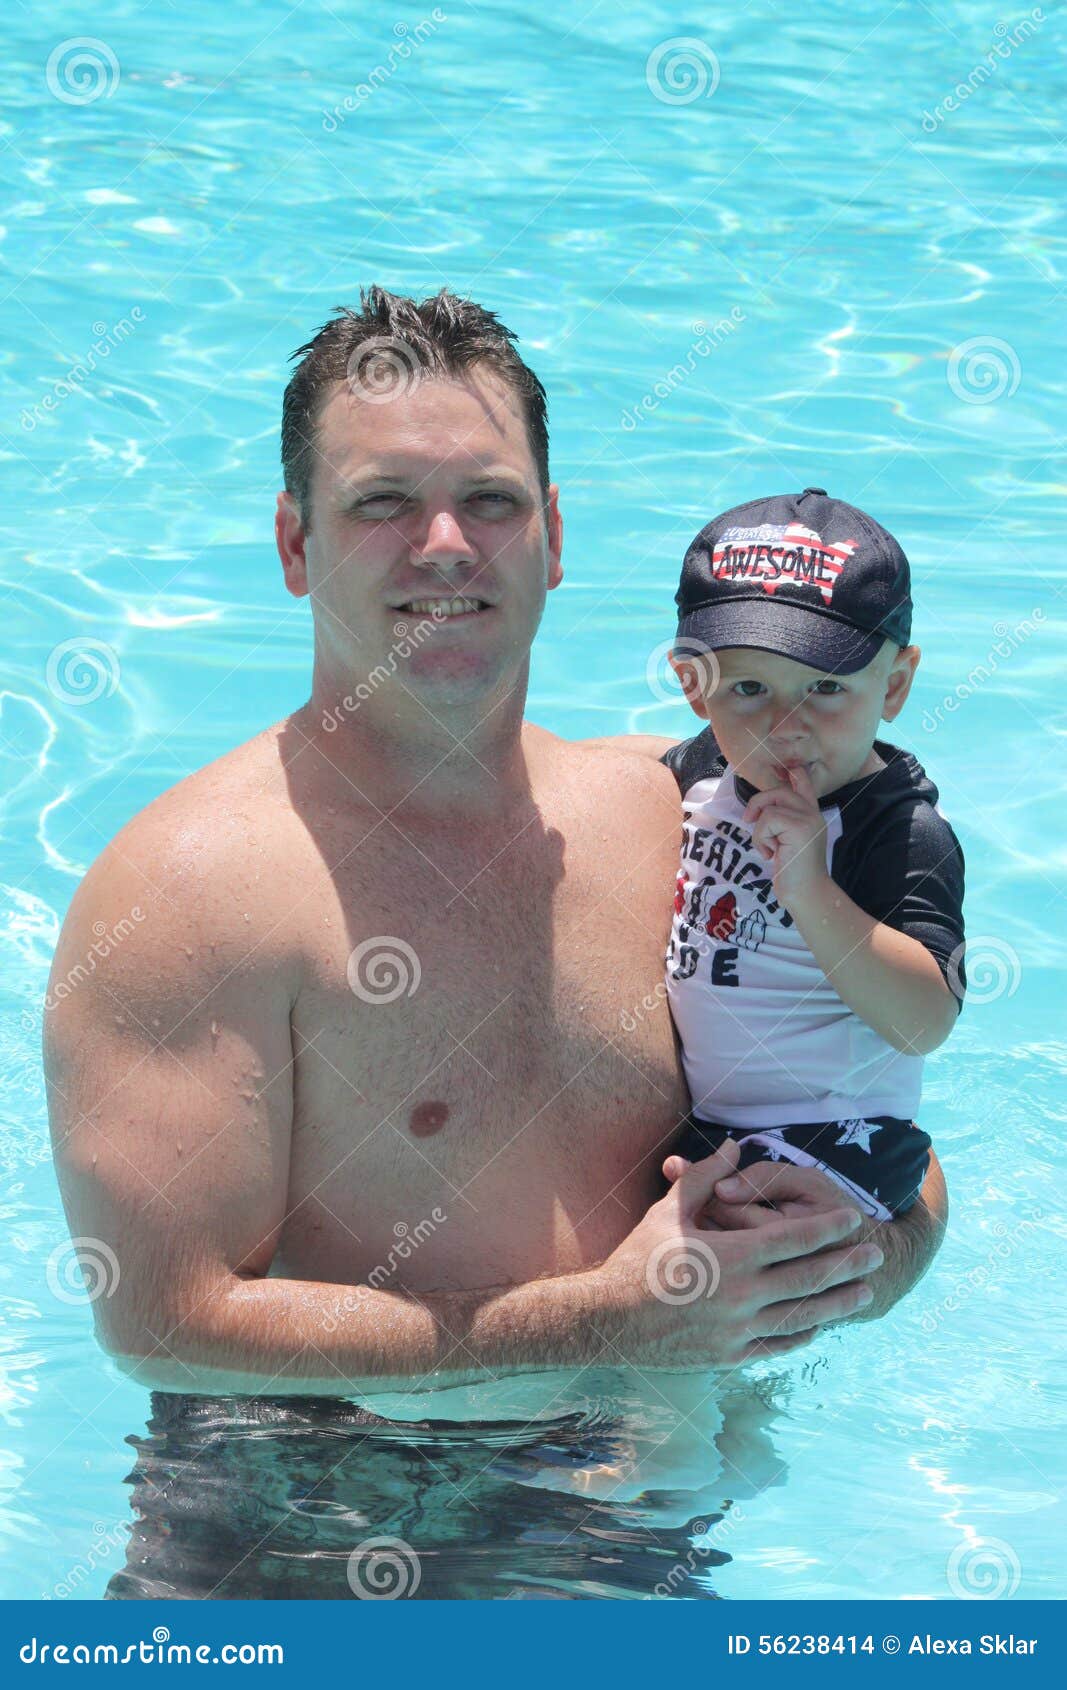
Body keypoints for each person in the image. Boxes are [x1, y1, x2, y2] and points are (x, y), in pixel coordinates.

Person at [44, 292, 943, 1407]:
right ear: (293, 543)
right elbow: (159, 1326)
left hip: (634, 1504)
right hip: (308, 1507)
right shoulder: (190, 895)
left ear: (553, 538)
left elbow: (865, 1119)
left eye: (489, 500)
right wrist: (601, 1324)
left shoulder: (680, 816)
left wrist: (862, 1250)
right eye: (382, 504)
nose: (444, 546)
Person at [655, 489, 965, 1225]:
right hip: (713, 1123)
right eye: (751, 687)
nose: (785, 726)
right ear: (695, 685)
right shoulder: (699, 771)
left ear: (892, 686)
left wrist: (808, 886)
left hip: (839, 1138)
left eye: (825, 688)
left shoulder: (896, 828)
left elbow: (924, 1022)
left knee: (717, 1253)